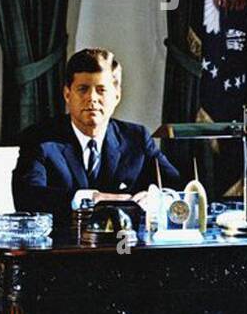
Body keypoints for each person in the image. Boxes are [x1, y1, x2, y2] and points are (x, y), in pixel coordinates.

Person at [11, 46, 181, 222]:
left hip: (125, 244)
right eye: (83, 89)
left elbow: (177, 189)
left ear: (117, 96)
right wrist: (90, 199)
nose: (92, 98)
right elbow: (26, 197)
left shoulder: (136, 138)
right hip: (64, 244)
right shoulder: (40, 138)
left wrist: (155, 199)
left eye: (101, 90)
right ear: (67, 95)